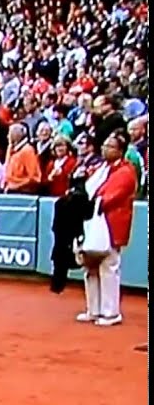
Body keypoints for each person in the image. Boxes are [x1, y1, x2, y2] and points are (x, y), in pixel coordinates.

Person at [77, 132, 138, 326]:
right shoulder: (101, 168)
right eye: (104, 145)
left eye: (110, 146)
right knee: (90, 267)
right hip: (92, 223)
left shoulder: (126, 171)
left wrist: (90, 203)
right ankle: (93, 309)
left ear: (120, 151)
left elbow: (110, 197)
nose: (104, 149)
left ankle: (111, 312)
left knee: (109, 267)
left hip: (112, 225)